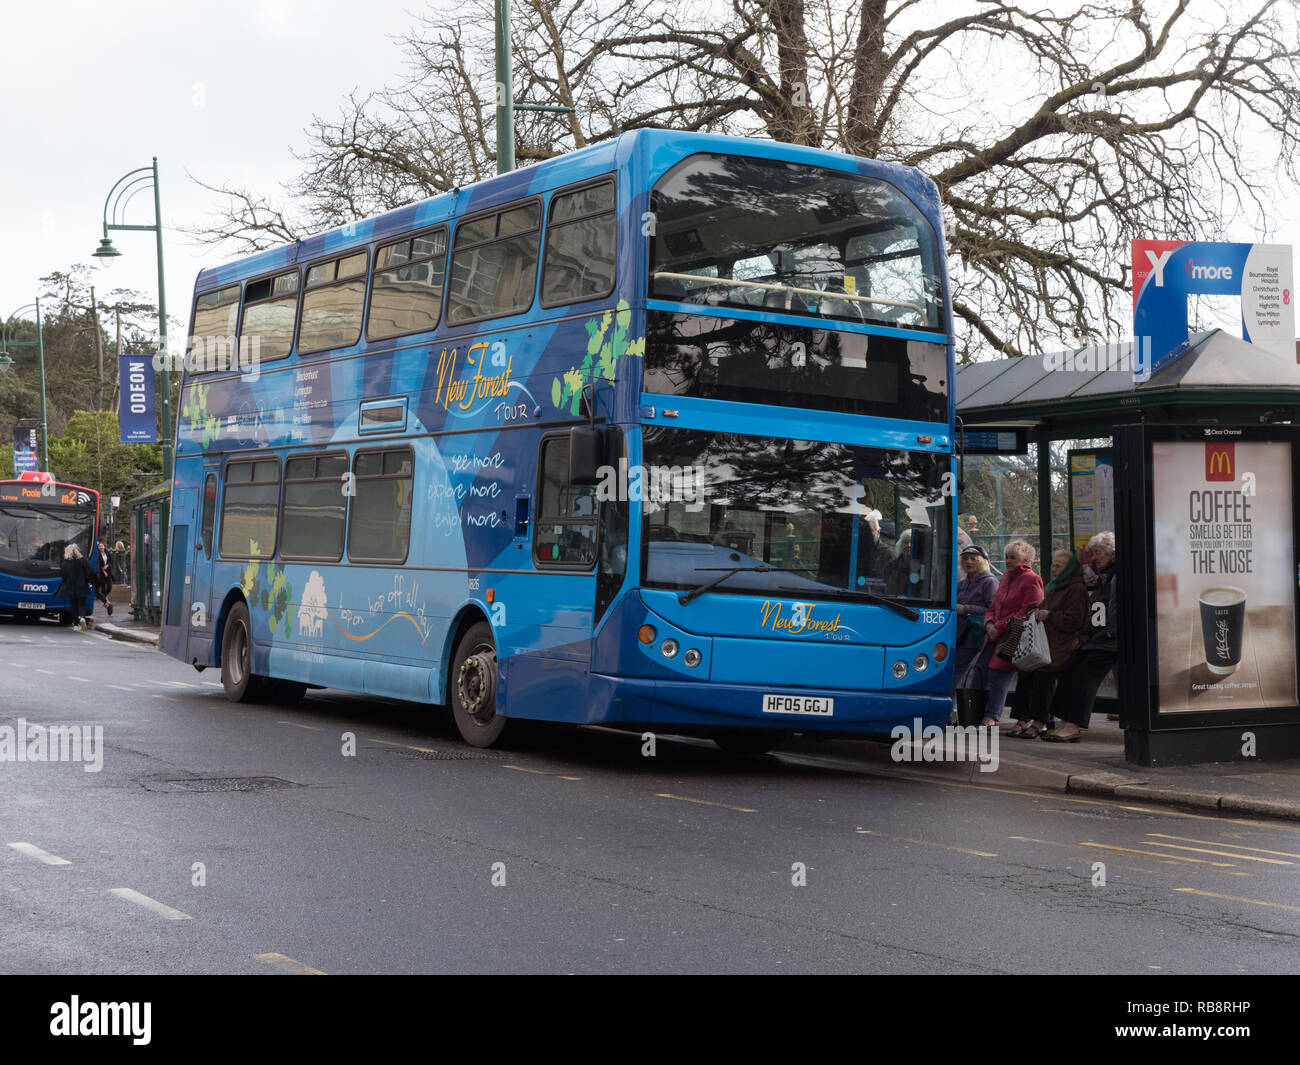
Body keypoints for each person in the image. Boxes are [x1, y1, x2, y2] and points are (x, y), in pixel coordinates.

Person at [1044, 532, 1118, 742]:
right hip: (1093, 637)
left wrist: (1111, 631)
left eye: (1099, 553)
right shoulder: (1102, 577)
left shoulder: (1116, 575)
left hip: (1108, 640)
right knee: (1068, 671)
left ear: (1112, 553)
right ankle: (1065, 722)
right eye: (1094, 553)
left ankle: (1074, 726)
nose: (1095, 558)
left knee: (1085, 677)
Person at [1008, 550, 1089, 738]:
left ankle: (1040, 721)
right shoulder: (1055, 587)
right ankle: (1022, 718)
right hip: (1047, 641)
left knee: (1043, 672)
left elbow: (1074, 621)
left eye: (1059, 566)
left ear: (1069, 569)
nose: (1054, 568)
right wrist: (1036, 610)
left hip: (1063, 644)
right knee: (1026, 670)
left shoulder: (1076, 589)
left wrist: (1049, 615)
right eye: (1054, 564)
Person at [977, 539, 1044, 726]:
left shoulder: (1032, 579)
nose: (1008, 560)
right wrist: (989, 623)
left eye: (1013, 557)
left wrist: (999, 627)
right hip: (994, 633)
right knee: (981, 671)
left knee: (999, 675)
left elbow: (1028, 610)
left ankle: (992, 715)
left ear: (1026, 558)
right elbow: (993, 605)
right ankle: (976, 711)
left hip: (1012, 634)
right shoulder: (1006, 577)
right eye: (1006, 557)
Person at [953, 544, 999, 725]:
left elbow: (992, 608)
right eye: (965, 558)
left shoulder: (989, 582)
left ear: (983, 561)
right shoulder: (962, 583)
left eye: (973, 558)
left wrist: (966, 609)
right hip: (959, 634)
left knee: (961, 674)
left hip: (977, 635)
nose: (969, 561)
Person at [59, 543, 96, 632]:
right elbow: (90, 571)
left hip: (71, 587)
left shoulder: (65, 563)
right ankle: (82, 618)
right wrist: (88, 580)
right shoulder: (83, 560)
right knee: (81, 604)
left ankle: (75, 624)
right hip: (82, 586)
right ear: (77, 551)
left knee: (74, 606)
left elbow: (63, 575)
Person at [95, 540, 115, 616]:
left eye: (102, 546)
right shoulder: (97, 554)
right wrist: (103, 571)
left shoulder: (107, 552)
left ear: (104, 546)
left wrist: (107, 565)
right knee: (103, 588)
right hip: (102, 574)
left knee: (109, 586)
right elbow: (99, 564)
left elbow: (110, 561)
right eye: (99, 546)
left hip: (108, 572)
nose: (101, 547)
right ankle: (106, 603)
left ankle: (105, 599)